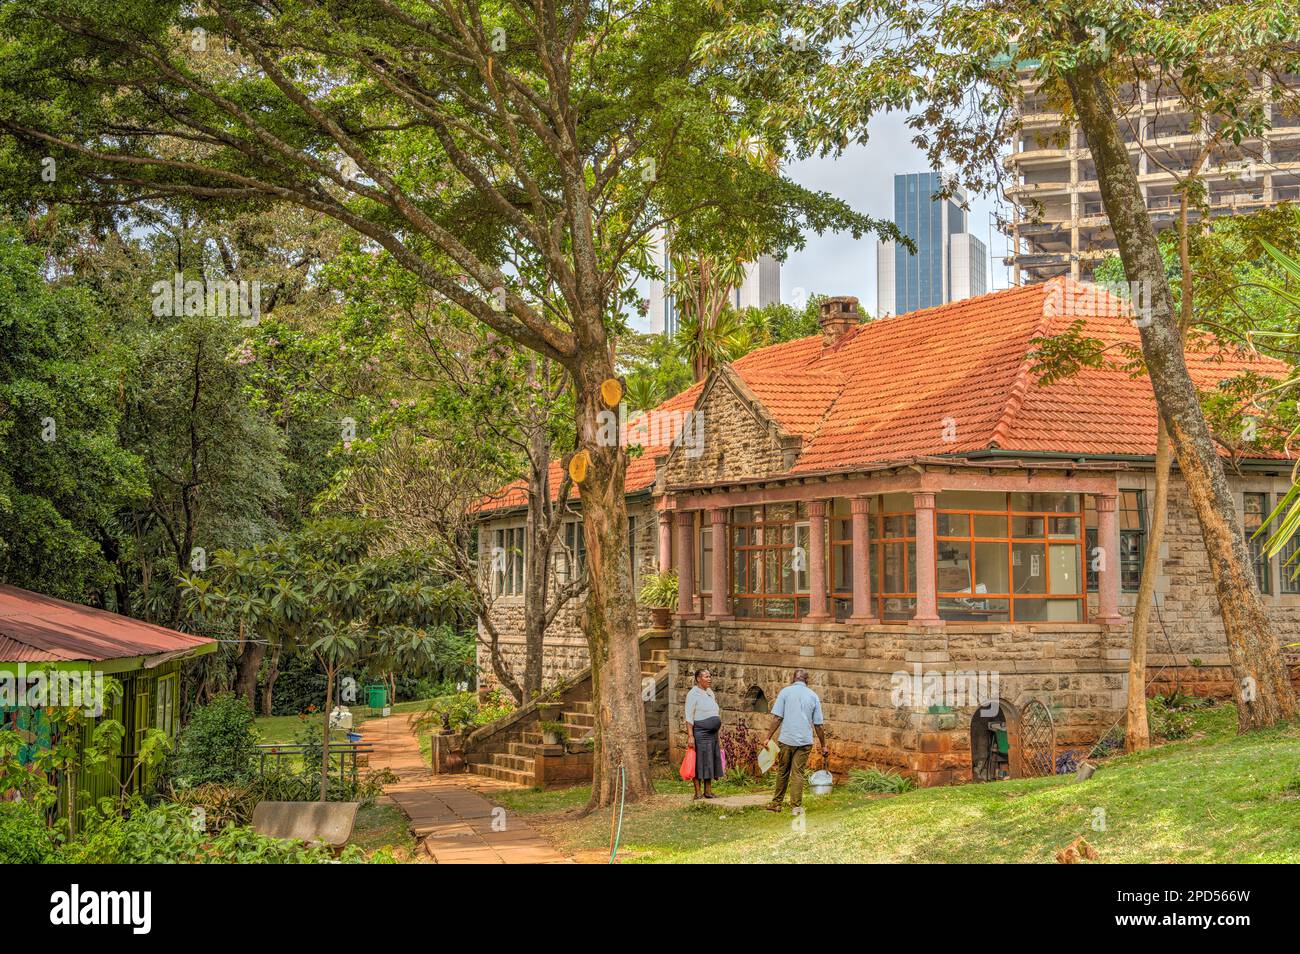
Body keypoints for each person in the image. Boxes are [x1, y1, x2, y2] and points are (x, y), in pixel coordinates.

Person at [763, 669, 827, 813]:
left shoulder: (785, 692)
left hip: (787, 739)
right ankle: (796, 807)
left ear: (793, 679)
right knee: (798, 773)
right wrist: (824, 746)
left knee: (783, 771)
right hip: (804, 741)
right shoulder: (813, 696)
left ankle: (776, 803)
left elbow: (777, 718)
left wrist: (768, 737)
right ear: (806, 680)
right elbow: (818, 725)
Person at [684, 668, 723, 799]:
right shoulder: (693, 694)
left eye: (710, 676)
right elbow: (689, 716)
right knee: (699, 761)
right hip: (700, 733)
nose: (709, 679)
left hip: (712, 734)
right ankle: (698, 792)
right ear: (698, 679)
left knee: (709, 760)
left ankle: (708, 791)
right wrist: (690, 735)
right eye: (706, 676)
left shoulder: (710, 692)